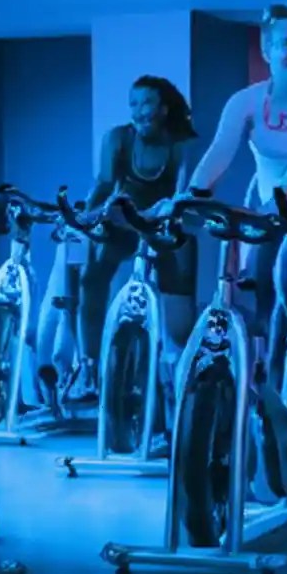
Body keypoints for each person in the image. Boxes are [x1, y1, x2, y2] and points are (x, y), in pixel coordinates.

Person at [176, 4, 287, 409]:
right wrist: (190, 198)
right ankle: (262, 383)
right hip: (272, 211)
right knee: (257, 292)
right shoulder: (246, 102)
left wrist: (271, 210)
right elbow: (219, 153)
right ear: (268, 51)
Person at [54, 76, 198, 410]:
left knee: (175, 298)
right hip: (122, 219)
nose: (139, 111)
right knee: (92, 277)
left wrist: (164, 214)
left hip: (162, 224)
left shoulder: (180, 144)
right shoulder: (117, 138)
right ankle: (88, 367)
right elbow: (104, 184)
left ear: (162, 109)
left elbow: (182, 193)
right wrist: (84, 219)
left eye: (146, 103)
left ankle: (176, 368)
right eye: (134, 104)